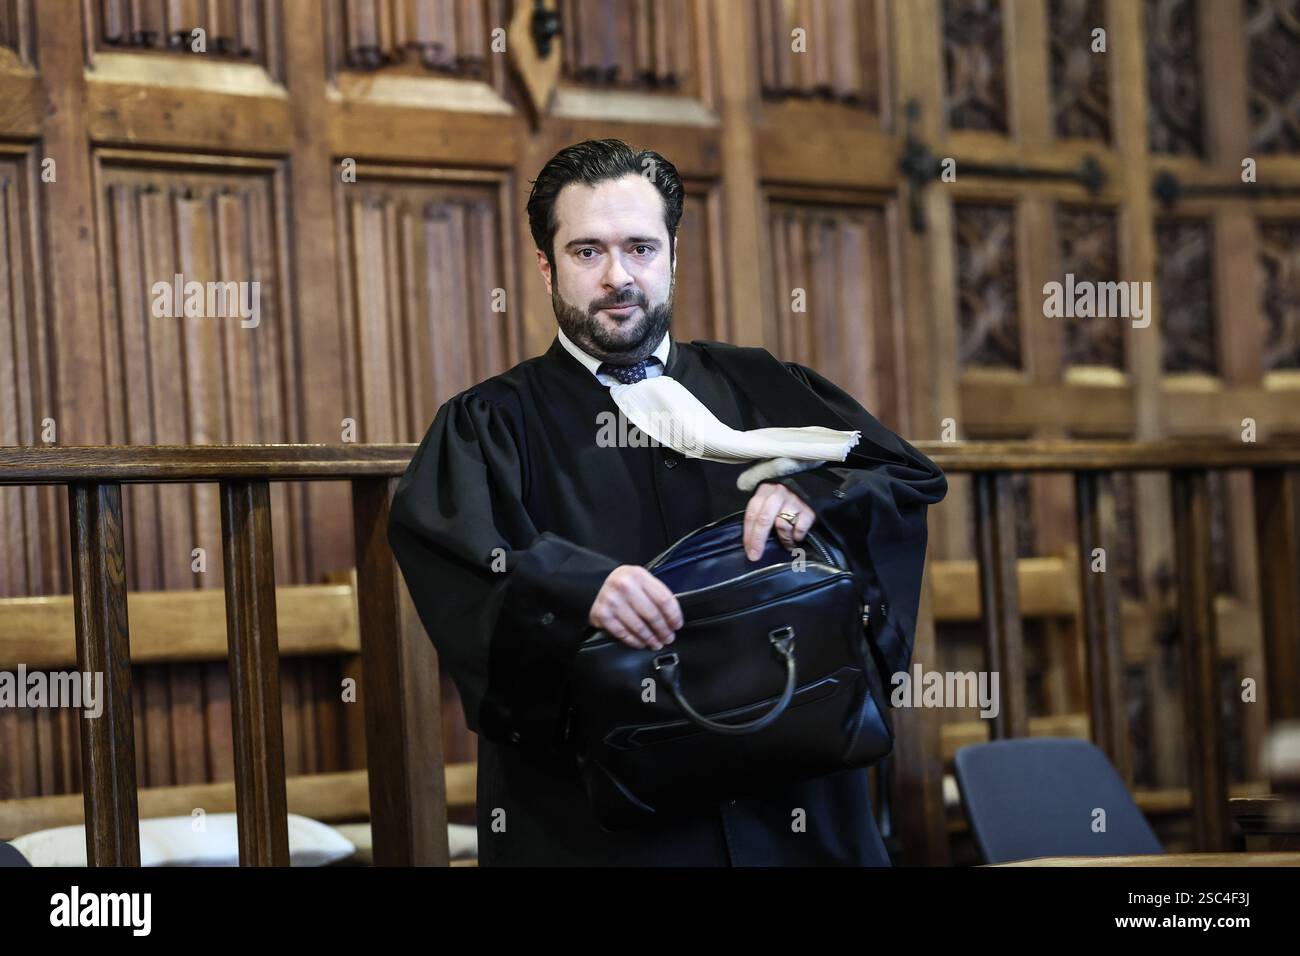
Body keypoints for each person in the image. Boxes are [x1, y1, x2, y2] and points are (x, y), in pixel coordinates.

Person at [388, 138, 947, 865]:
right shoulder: (490, 423)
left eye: (641, 248)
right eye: (587, 251)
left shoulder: (760, 385)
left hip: (793, 800)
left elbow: (904, 479)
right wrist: (577, 589)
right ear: (546, 265)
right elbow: (458, 566)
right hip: (606, 827)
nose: (618, 276)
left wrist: (812, 494)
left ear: (674, 256)